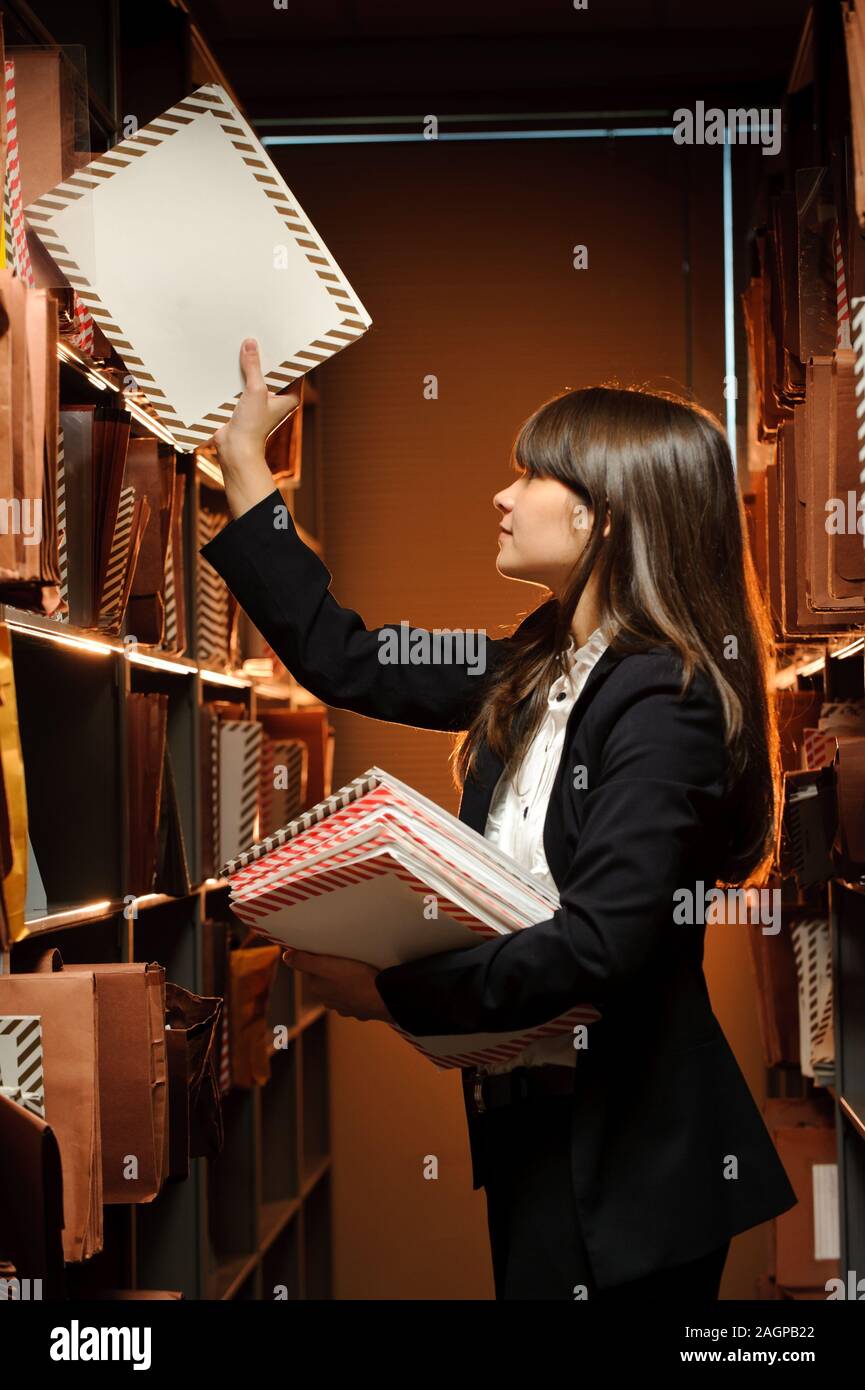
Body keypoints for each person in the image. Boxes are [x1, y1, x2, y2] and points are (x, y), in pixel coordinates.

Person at [200, 337, 798, 1302]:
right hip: (532, 1128)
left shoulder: (664, 701)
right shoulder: (539, 665)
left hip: (627, 1164)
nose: (503, 496)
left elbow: (599, 945)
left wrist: (388, 995)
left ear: (604, 517)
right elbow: (346, 659)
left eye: (532, 474)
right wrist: (246, 476)